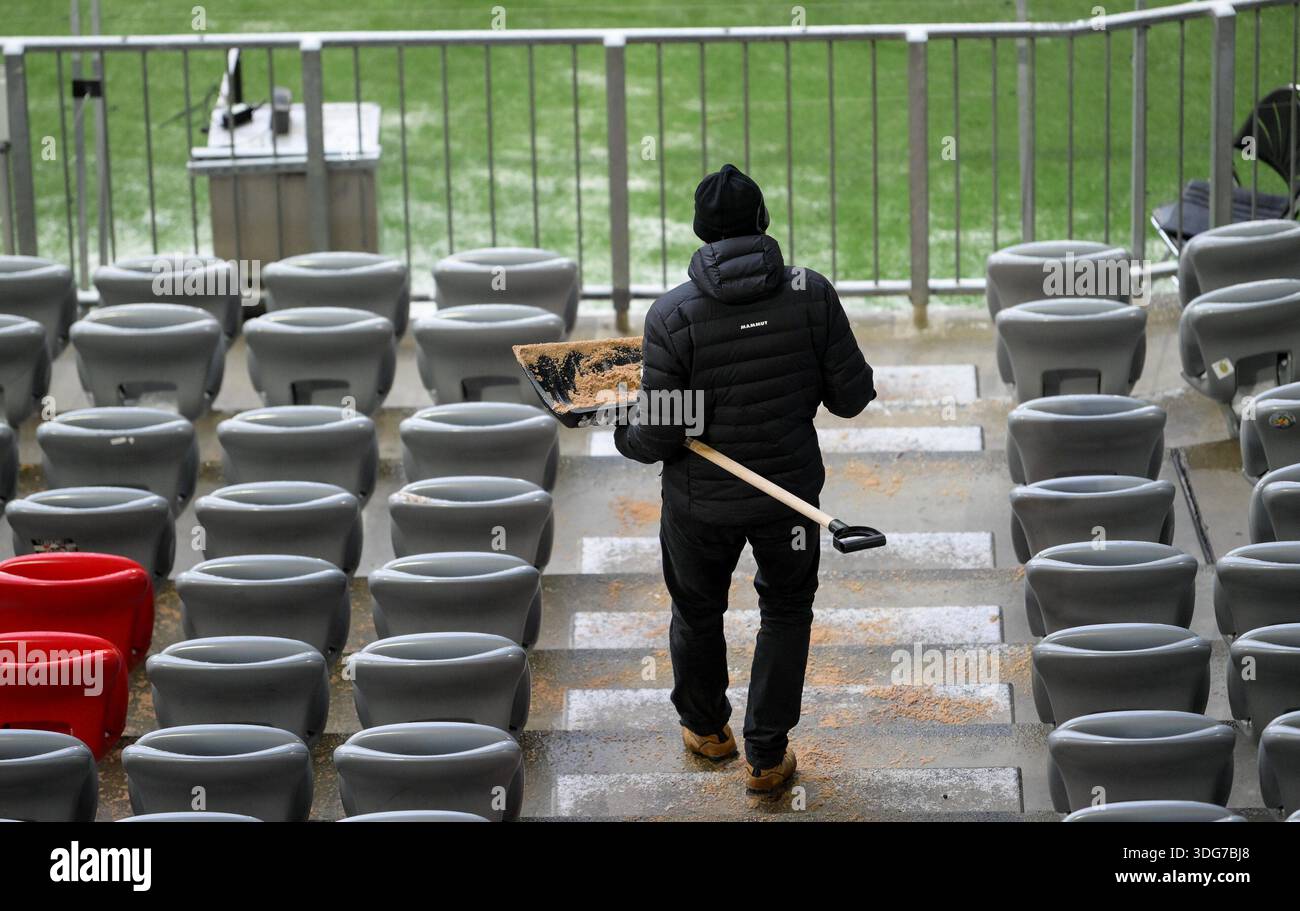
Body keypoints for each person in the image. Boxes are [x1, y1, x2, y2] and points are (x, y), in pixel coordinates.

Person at [614, 163, 876, 792]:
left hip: (698, 507)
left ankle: (707, 731)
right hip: (790, 503)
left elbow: (662, 435)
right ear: (763, 223)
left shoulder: (671, 316)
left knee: (697, 611)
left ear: (701, 232)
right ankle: (766, 754)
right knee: (786, 612)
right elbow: (852, 397)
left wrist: (624, 431)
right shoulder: (812, 293)